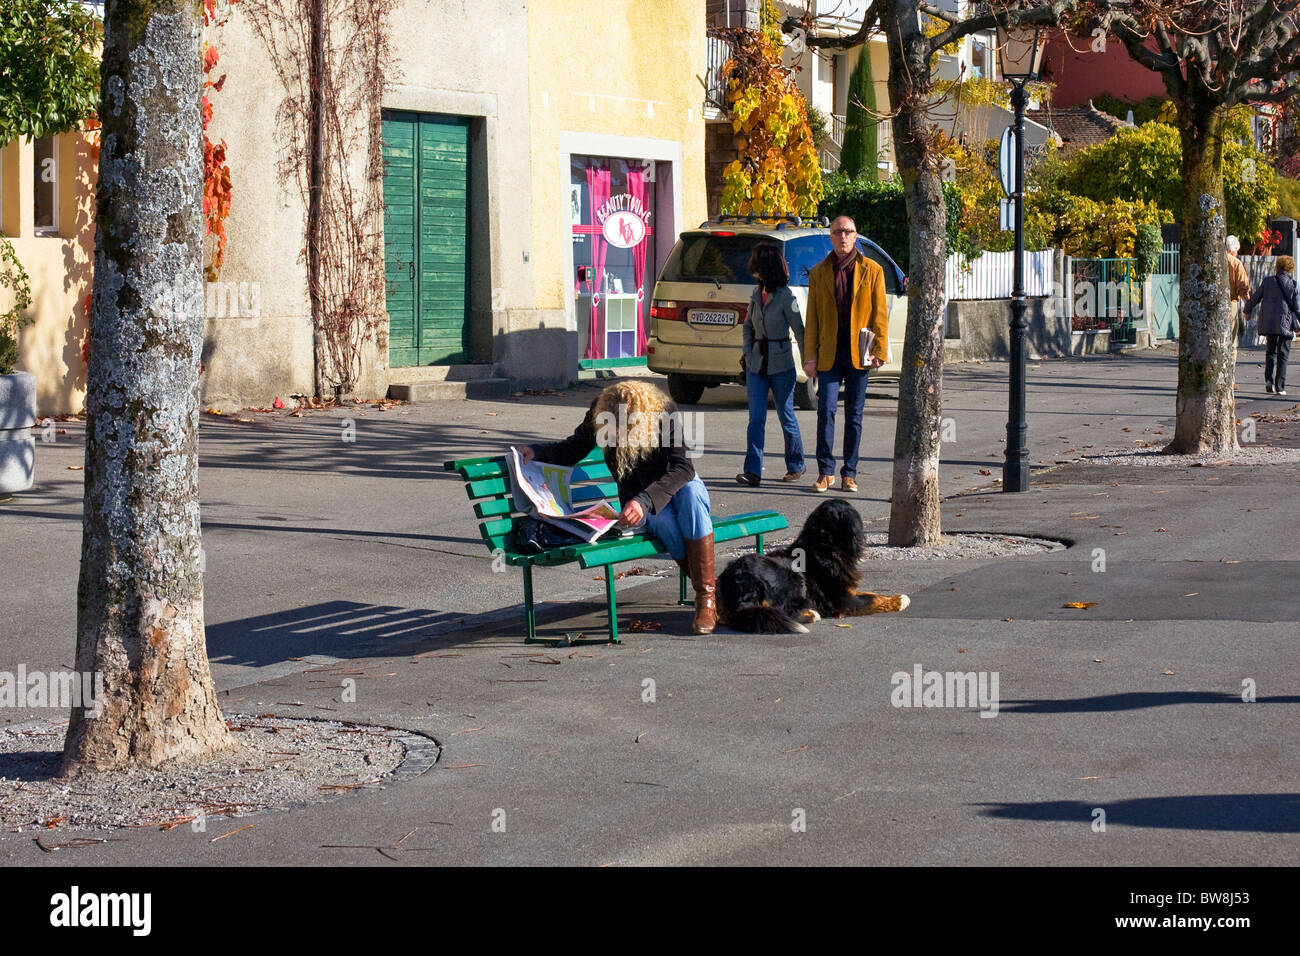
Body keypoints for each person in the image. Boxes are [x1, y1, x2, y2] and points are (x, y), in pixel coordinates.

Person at [519, 380, 717, 633]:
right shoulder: (602, 409)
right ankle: (712, 592)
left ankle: (706, 599)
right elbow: (574, 448)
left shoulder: (663, 410)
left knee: (690, 496)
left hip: (672, 486)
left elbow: (684, 468)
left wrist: (644, 500)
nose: (619, 434)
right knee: (665, 524)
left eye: (626, 427)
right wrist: (537, 451)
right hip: (640, 501)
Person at [801, 215, 889, 493]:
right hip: (828, 353)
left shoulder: (872, 270)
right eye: (838, 232)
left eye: (848, 232)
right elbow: (812, 318)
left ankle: (849, 473)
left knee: (854, 414)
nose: (843, 237)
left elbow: (880, 314)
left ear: (856, 235)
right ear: (831, 237)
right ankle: (825, 472)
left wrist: (880, 350)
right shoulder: (818, 272)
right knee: (825, 410)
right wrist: (809, 356)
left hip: (859, 352)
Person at [737, 243, 806, 488]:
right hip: (757, 364)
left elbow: (800, 331)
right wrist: (748, 352)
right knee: (756, 418)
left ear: (765, 268)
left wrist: (809, 363)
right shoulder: (756, 295)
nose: (753, 270)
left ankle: (796, 465)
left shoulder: (787, 297)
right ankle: (752, 472)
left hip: (781, 363)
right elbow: (747, 327)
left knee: (785, 415)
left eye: (756, 266)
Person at [1245, 255, 1300, 396]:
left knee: (1270, 352)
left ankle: (1268, 381)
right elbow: (1297, 307)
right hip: (1285, 324)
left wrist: (1247, 310)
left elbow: (1255, 297)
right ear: (1291, 268)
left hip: (1269, 322)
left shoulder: (1268, 281)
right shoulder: (1293, 284)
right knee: (1283, 355)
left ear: (1277, 266)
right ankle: (1280, 387)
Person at [1227, 235, 1251, 341]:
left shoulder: (1215, 260)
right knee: (1231, 340)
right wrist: (1248, 307)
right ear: (1233, 250)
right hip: (1231, 302)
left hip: (1212, 304)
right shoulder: (1236, 263)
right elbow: (1243, 288)